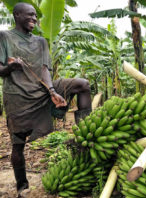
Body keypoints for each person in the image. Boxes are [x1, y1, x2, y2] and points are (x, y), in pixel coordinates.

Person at [0, 2, 92, 196]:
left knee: (83, 84)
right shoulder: (5, 37)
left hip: (41, 90)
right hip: (17, 97)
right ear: (16, 15)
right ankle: (22, 186)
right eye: (30, 15)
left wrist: (52, 91)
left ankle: (87, 134)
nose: (34, 19)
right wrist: (10, 68)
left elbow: (44, 69)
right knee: (18, 143)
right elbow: (0, 70)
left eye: (35, 16)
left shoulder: (41, 41)